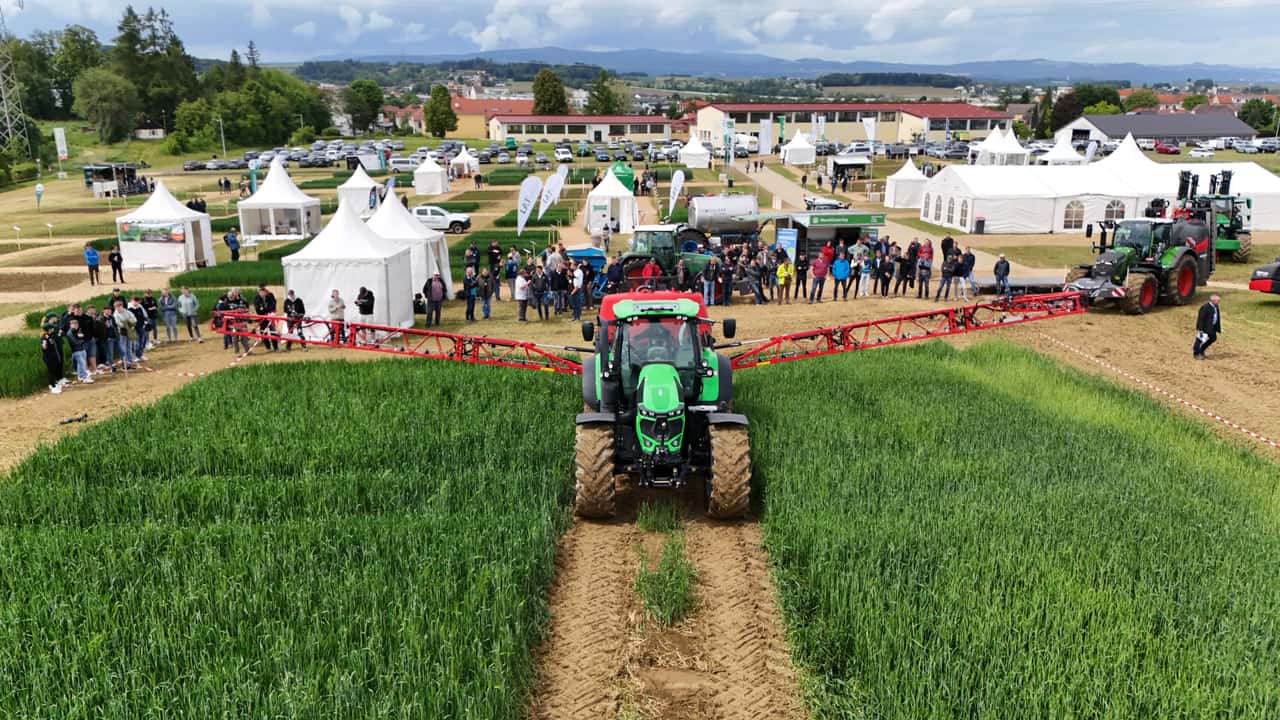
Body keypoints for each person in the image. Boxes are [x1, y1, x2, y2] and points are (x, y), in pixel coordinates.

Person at [65, 317, 94, 384]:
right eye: (73, 323)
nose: (75, 324)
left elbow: (82, 337)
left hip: (82, 349)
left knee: (80, 364)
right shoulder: (70, 332)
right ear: (70, 324)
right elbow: (75, 341)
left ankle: (80, 376)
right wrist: (81, 340)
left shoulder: (77, 330)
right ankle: (84, 377)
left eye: (76, 323)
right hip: (76, 350)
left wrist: (81, 339)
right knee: (82, 364)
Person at [1193, 294, 1222, 360]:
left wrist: (1217, 327)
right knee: (1199, 340)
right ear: (1213, 301)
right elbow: (1201, 319)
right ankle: (1196, 354)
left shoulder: (1216, 306)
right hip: (1204, 327)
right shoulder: (1205, 307)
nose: (1219, 302)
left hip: (1211, 327)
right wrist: (1200, 329)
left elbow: (1216, 317)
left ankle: (1201, 350)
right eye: (1218, 301)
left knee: (1213, 338)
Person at [253, 285, 279, 351]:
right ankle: (268, 348)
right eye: (261, 291)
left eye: (264, 291)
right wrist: (266, 310)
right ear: (259, 292)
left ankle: (276, 347)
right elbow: (258, 310)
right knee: (264, 333)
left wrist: (264, 309)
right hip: (262, 318)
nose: (263, 293)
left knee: (273, 332)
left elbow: (273, 306)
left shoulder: (269, 297)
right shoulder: (256, 299)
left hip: (270, 317)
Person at [41, 323, 65, 394]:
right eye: (52, 328)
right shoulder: (44, 337)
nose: (53, 329)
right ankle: (52, 386)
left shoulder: (51, 335)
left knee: (54, 371)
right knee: (51, 372)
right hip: (49, 358)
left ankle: (54, 384)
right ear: (49, 329)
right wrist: (44, 344)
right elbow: (44, 346)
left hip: (55, 357)